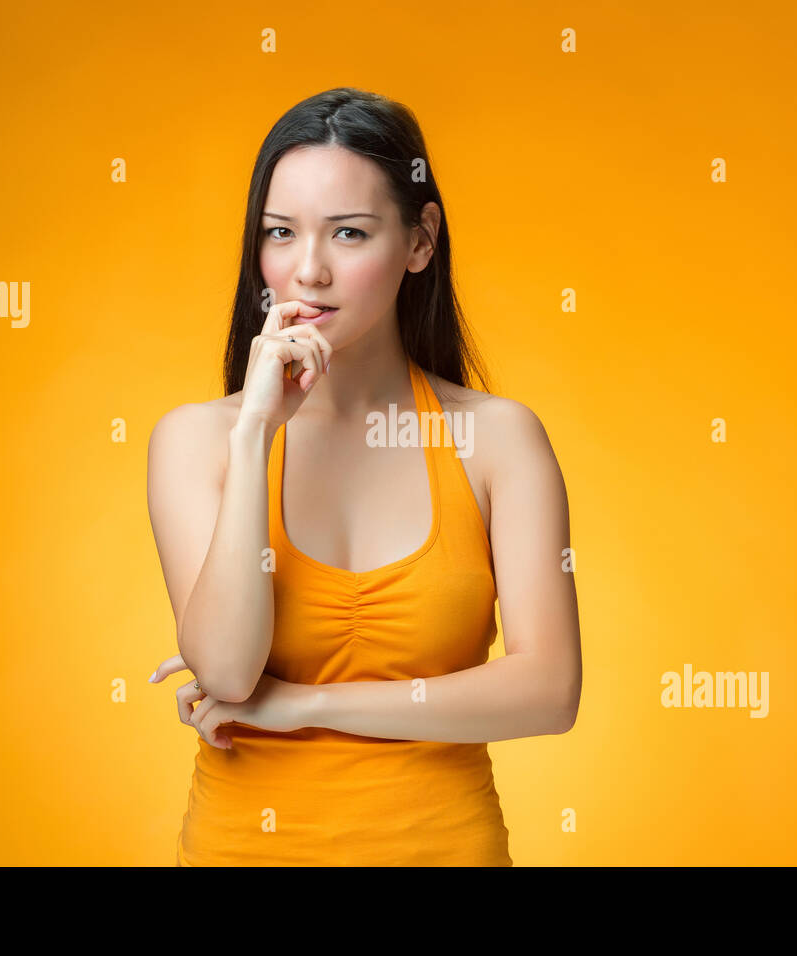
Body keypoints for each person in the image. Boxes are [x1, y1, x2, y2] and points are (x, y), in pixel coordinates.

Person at [146, 87, 581, 866]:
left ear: (420, 241)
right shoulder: (197, 441)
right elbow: (227, 668)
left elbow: (550, 692)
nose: (307, 271)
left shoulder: (498, 440)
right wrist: (255, 437)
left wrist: (303, 706)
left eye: (349, 233)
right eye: (280, 234)